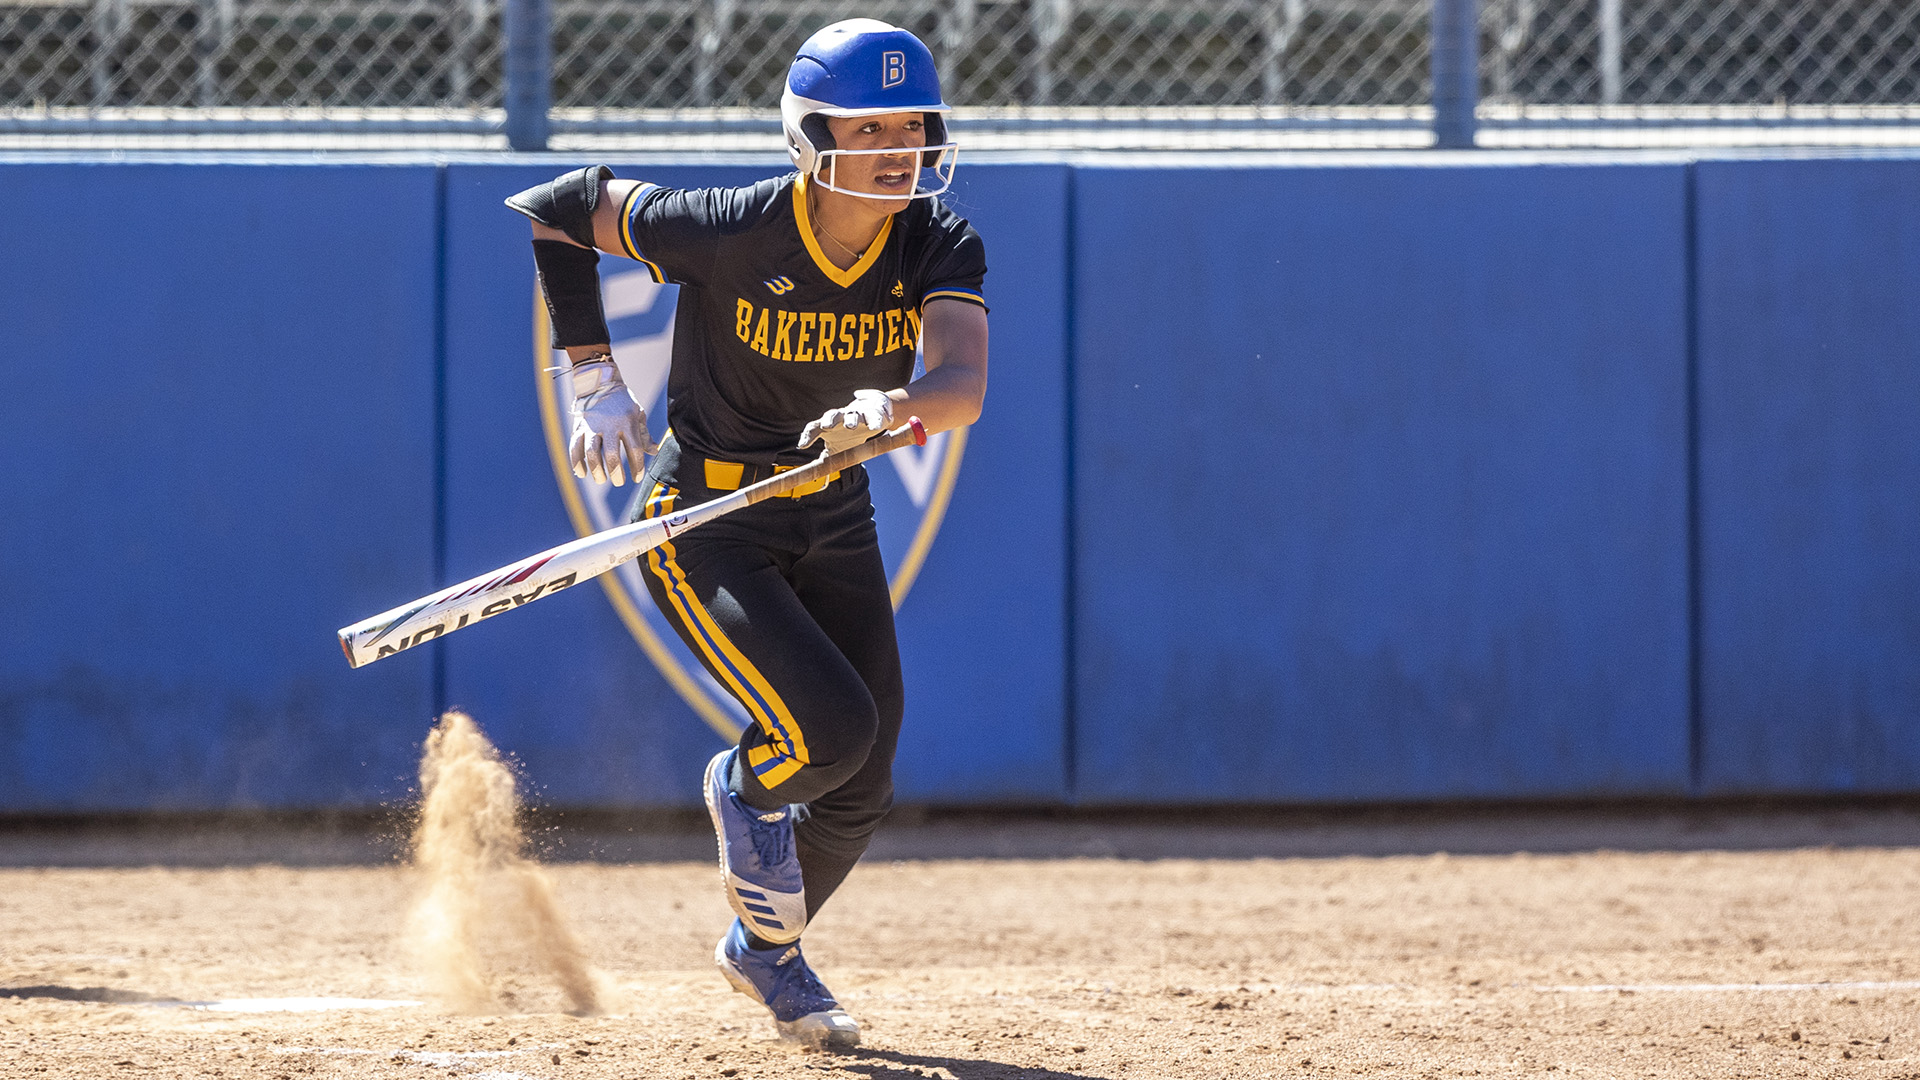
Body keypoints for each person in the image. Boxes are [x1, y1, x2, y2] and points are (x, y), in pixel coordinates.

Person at [504, 18, 988, 1049]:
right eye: (870, 130)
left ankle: (764, 953)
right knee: (823, 735)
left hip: (832, 508)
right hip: (708, 523)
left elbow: (961, 384)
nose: (900, 146)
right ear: (811, 136)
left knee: (863, 782)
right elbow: (555, 209)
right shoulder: (733, 225)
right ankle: (741, 787)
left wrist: (887, 412)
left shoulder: (934, 237)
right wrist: (592, 372)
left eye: (913, 124)